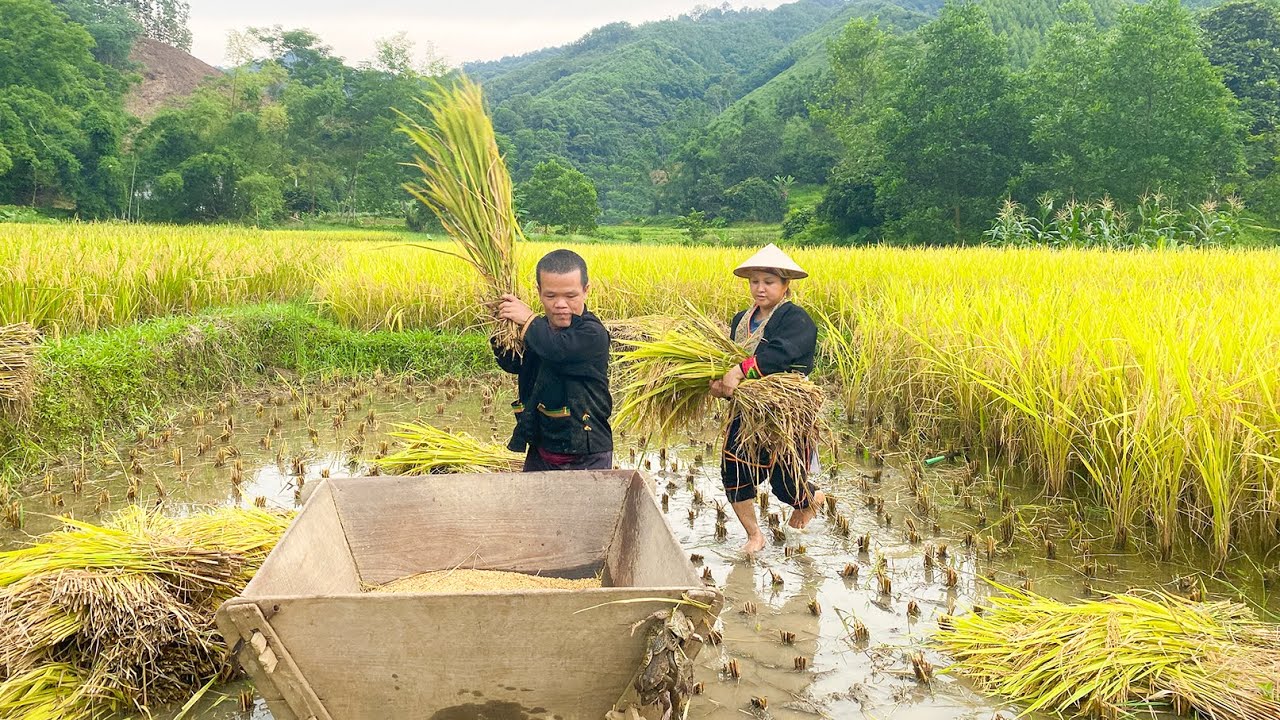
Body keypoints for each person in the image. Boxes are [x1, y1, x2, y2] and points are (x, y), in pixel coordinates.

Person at [710, 243, 825, 553]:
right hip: (746, 412)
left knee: (786, 481)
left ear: (785, 285)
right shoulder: (740, 319)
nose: (760, 289)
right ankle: (754, 536)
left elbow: (780, 354)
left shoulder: (796, 319)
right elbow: (728, 364)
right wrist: (720, 385)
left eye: (769, 282)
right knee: (733, 469)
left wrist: (740, 370)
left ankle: (810, 499)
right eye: (754, 281)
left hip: (785, 413)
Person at [494, 249, 613, 471]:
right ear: (539, 292)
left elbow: (556, 350)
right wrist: (502, 329)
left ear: (586, 291)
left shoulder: (592, 334)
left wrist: (528, 319)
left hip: (585, 455)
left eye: (570, 296)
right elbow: (513, 364)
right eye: (551, 296)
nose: (560, 304)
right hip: (541, 448)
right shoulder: (537, 332)